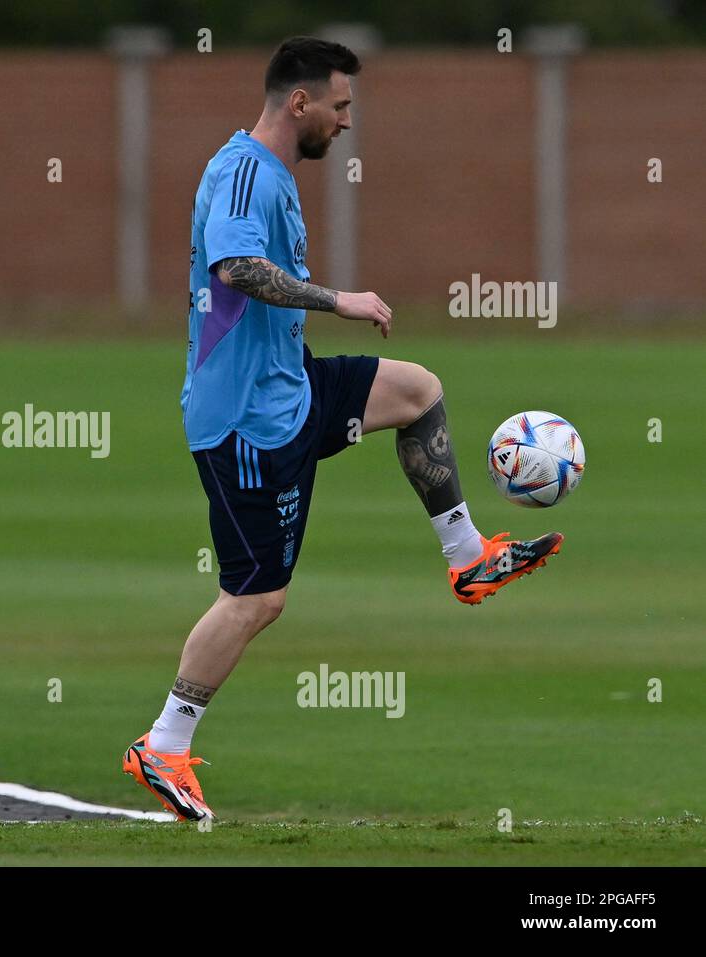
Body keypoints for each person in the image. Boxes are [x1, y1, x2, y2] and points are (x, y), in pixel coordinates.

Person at [122, 36, 563, 822]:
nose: (348, 121)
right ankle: (163, 742)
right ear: (301, 104)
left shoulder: (276, 174)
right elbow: (236, 270)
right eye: (341, 105)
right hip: (245, 426)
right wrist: (338, 299)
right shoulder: (242, 172)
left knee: (417, 390)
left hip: (290, 393)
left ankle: (469, 559)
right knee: (256, 599)